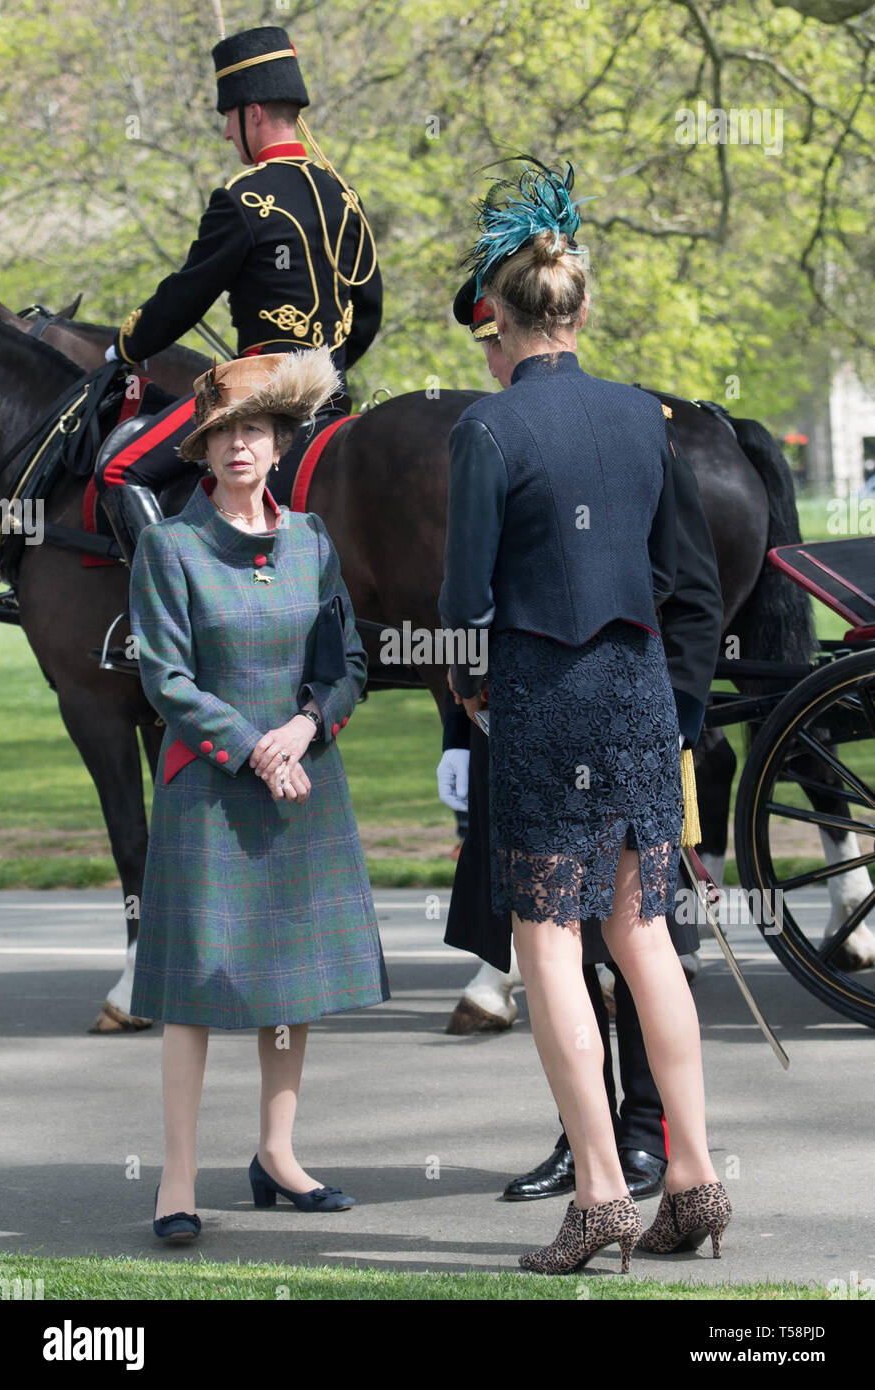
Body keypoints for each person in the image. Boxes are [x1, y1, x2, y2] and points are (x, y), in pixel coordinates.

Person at [438, 159, 731, 1275]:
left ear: (498, 322)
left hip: (543, 700)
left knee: (548, 940)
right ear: (579, 310)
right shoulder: (640, 416)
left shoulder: (489, 429)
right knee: (644, 934)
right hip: (640, 694)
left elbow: (464, 602)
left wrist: (472, 691)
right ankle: (696, 1177)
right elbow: (673, 573)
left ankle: (604, 1190)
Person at [127, 347, 389, 1240]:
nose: (238, 446)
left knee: (289, 986)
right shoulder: (170, 547)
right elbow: (165, 678)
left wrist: (306, 728)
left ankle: (278, 1155)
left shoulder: (314, 539)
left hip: (301, 779)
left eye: (253, 430)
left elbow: (347, 664)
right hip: (208, 786)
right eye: (220, 435)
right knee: (197, 987)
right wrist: (251, 746)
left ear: (279, 442)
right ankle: (176, 1180)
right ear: (200, 453)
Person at [98, 23, 382, 562]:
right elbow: (368, 310)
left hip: (260, 389)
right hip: (334, 395)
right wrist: (325, 373)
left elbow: (185, 295)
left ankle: (171, 604)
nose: (227, 134)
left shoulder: (243, 198)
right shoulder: (344, 195)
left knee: (119, 468)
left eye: (229, 118)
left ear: (252, 113)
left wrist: (125, 348)